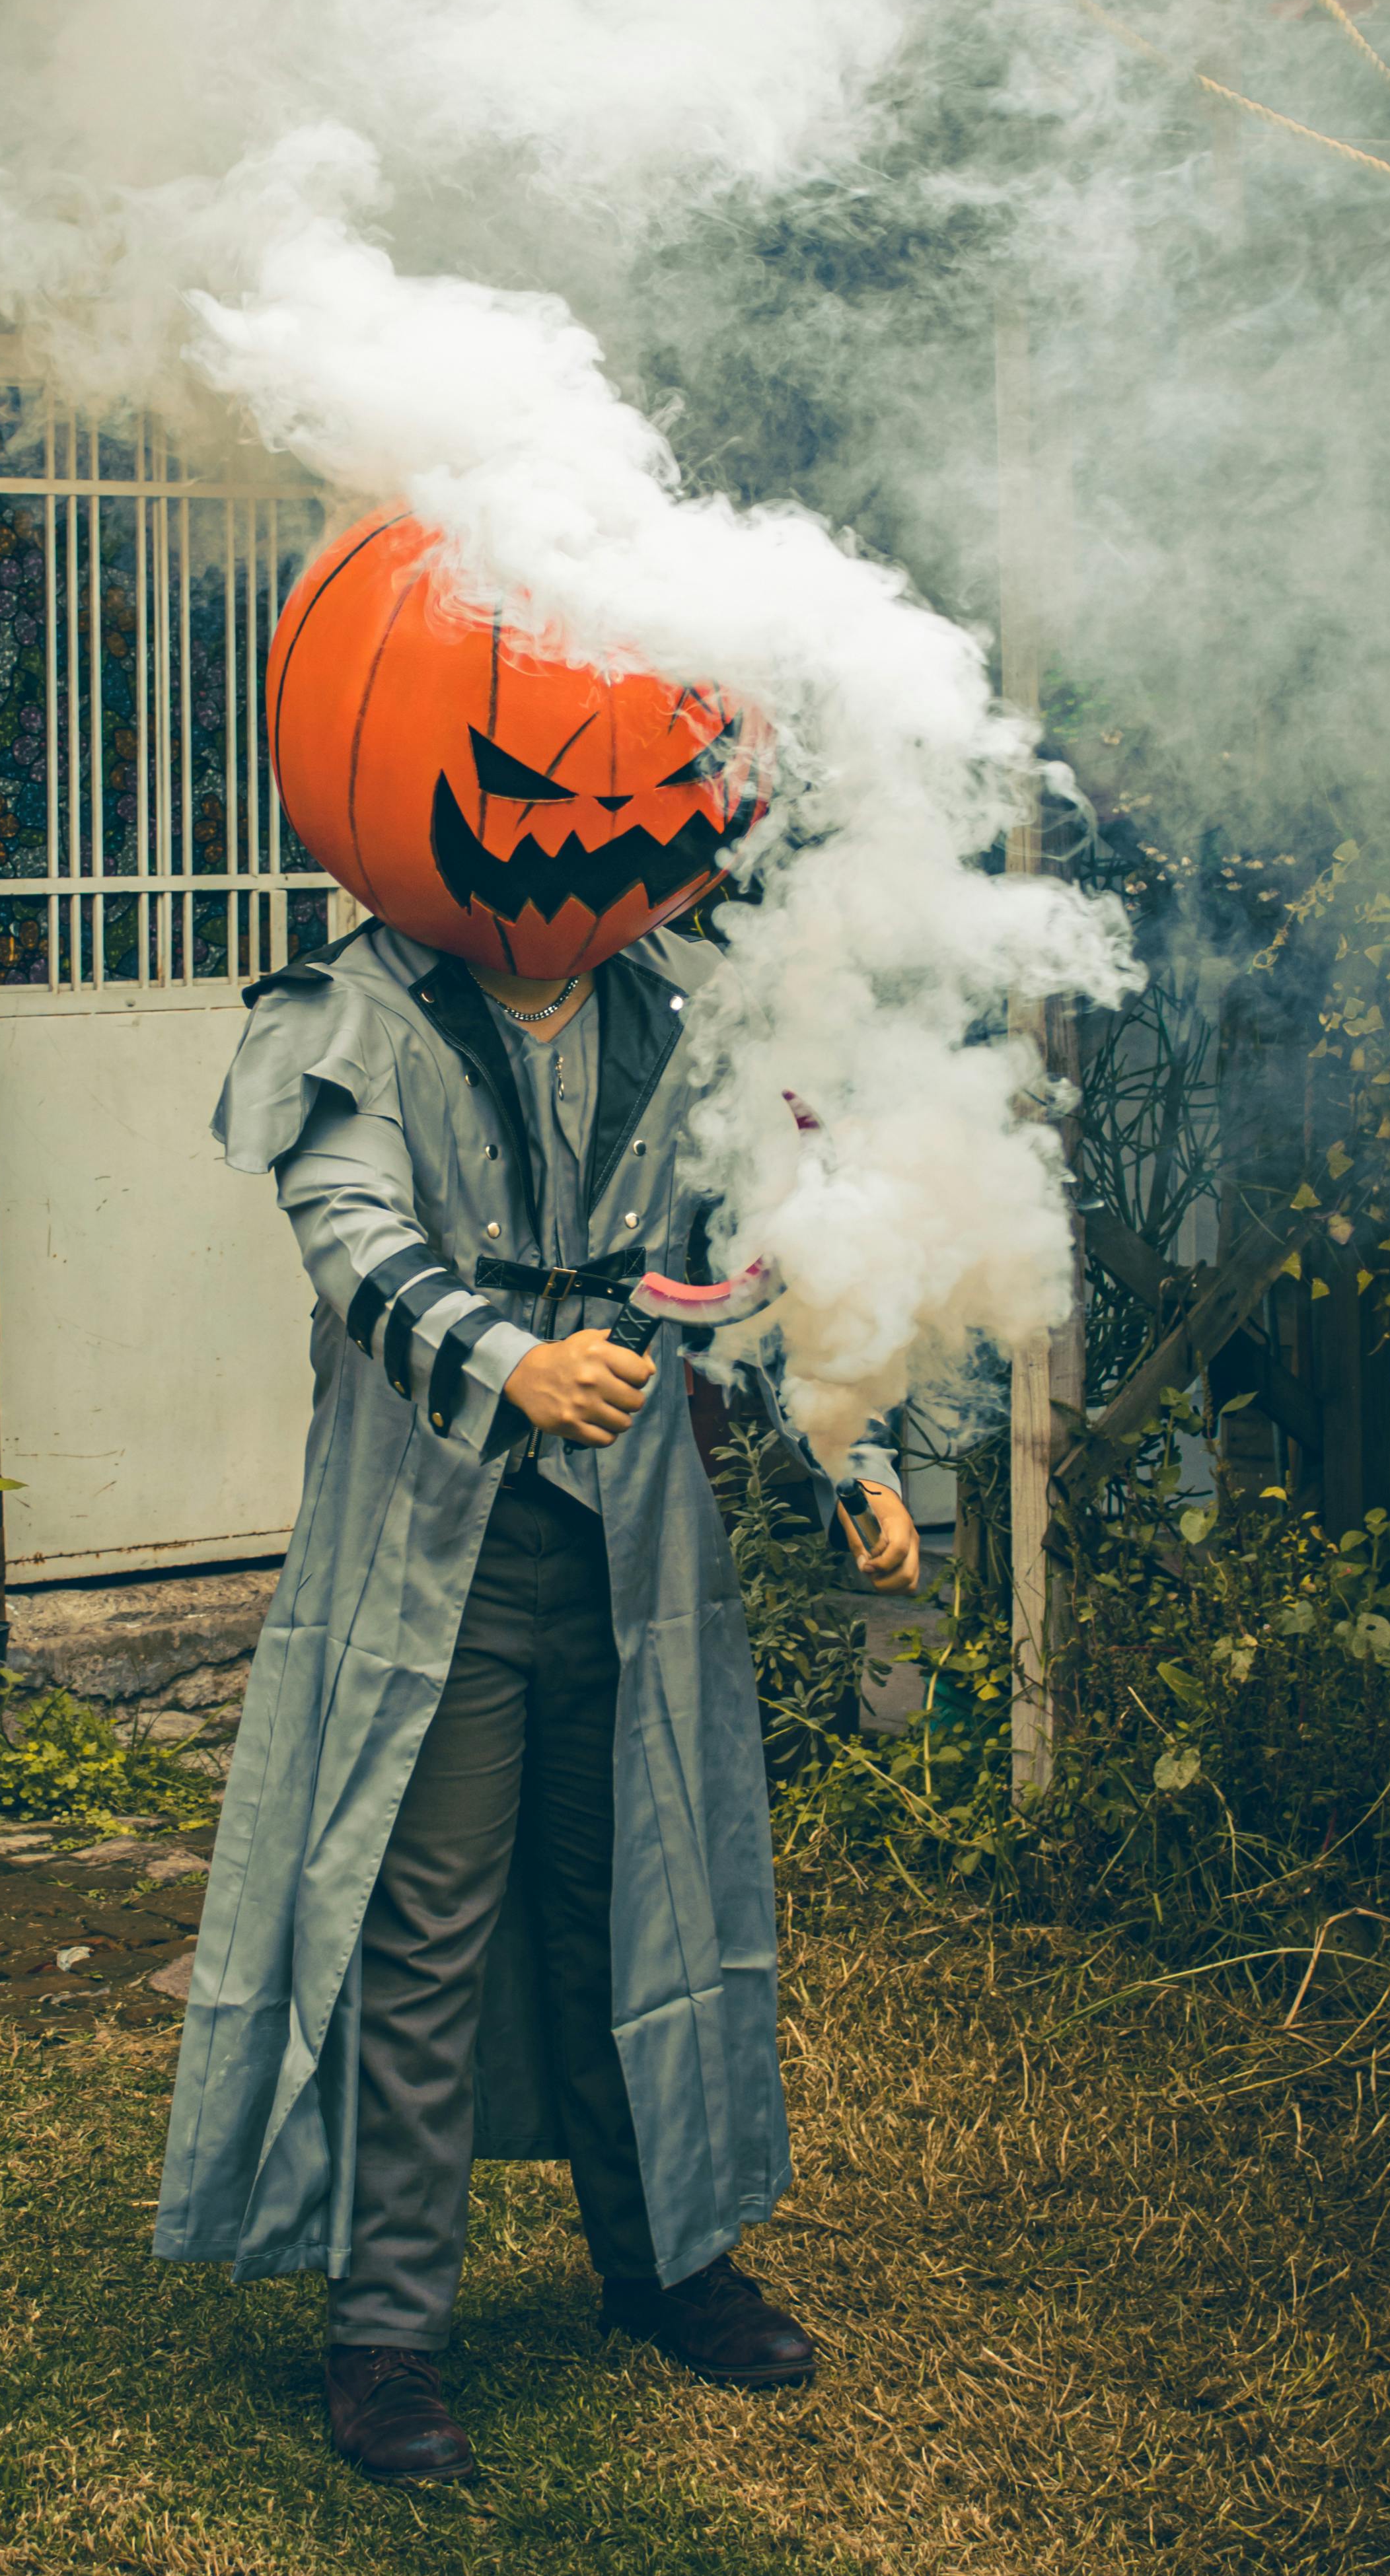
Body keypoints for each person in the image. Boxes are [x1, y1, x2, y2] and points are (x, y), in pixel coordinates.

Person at [154, 910, 920, 2485]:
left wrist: (847, 1447)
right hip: (440, 1550)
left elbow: (756, 1256)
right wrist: (510, 1358)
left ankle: (661, 2263)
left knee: (640, 1897)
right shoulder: (354, 1006)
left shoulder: (686, 1000)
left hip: (636, 1560)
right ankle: (386, 2334)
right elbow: (353, 1236)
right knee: (419, 1928)